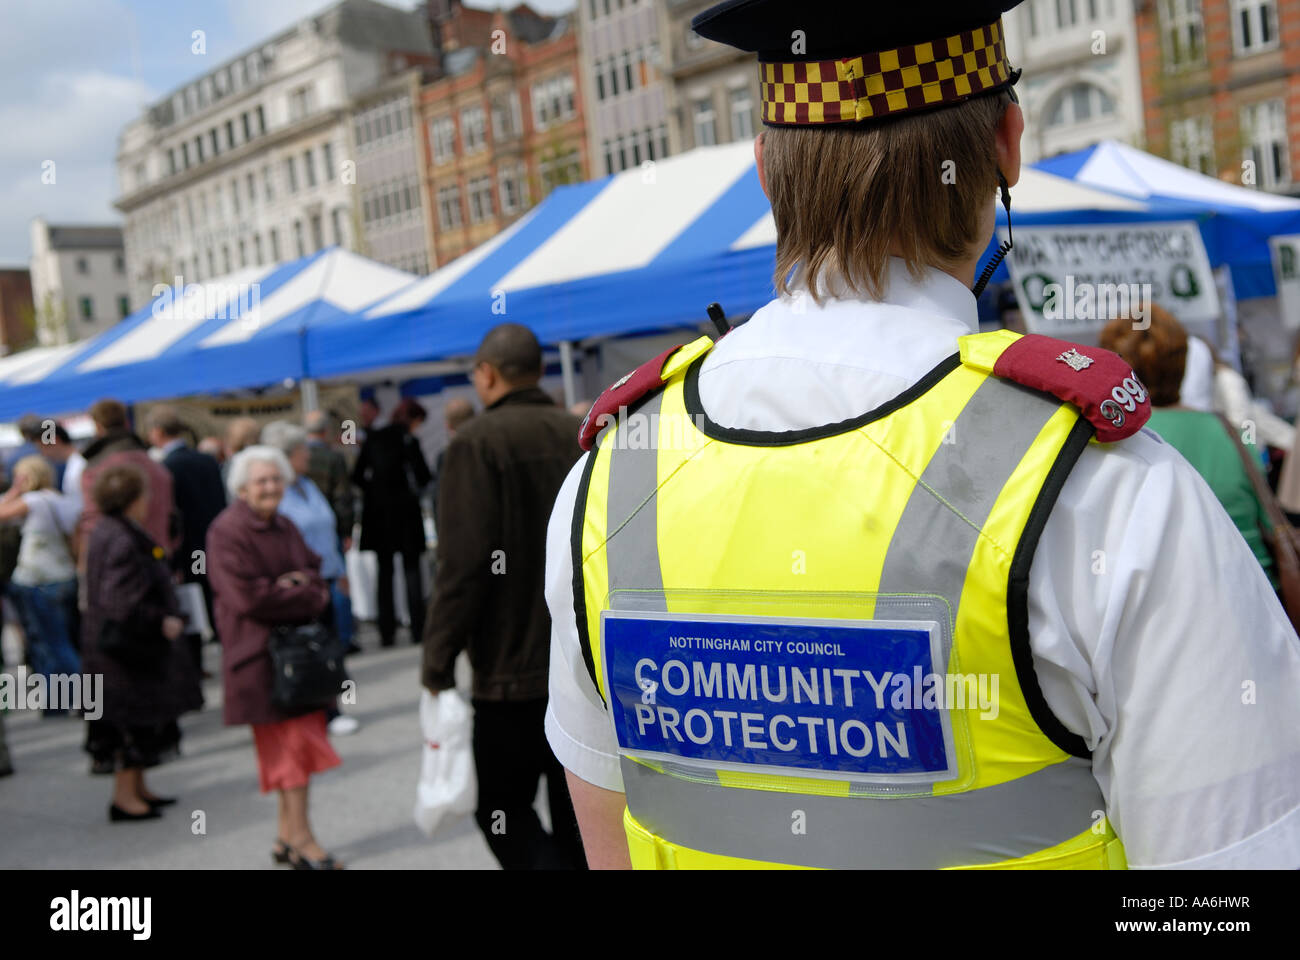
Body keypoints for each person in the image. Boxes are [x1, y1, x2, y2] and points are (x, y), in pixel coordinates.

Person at [543, 0, 1300, 870]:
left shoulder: (610, 484)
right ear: (1009, 144)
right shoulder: (1103, 488)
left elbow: (611, 845)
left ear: (763, 170)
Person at [423, 323, 587, 870]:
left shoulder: (475, 444)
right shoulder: (581, 431)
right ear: (540, 371)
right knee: (574, 811)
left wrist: (437, 660)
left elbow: (462, 565)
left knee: (502, 808)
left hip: (509, 669)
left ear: (486, 375)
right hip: (581, 659)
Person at [206, 445, 343, 869]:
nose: (270, 487)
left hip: (300, 658)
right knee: (289, 753)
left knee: (297, 749)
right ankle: (303, 839)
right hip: (259, 661)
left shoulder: (284, 524)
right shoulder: (226, 531)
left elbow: (317, 576)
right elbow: (247, 598)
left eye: (276, 479)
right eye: (261, 480)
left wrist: (293, 587)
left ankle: (288, 838)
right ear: (242, 488)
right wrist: (294, 589)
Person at [1100, 308, 1275, 583]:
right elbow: (1266, 520)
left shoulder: (1115, 441)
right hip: (1255, 590)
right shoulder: (1230, 431)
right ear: (1183, 360)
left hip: (1174, 602)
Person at [80, 464, 203, 820]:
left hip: (117, 650)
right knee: (129, 724)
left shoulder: (111, 530)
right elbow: (120, 600)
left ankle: (137, 789)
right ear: (132, 498)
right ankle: (124, 797)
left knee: (135, 721)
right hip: (124, 653)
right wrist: (161, 618)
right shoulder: (121, 537)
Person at [262, 420, 361, 729]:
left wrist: (339, 570)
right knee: (310, 650)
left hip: (327, 577)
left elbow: (326, 529)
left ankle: (333, 708)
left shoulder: (307, 486)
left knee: (331, 647)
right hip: (302, 584)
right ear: (287, 455)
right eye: (302, 450)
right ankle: (319, 710)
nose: (308, 455)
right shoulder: (278, 494)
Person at [146, 406, 227, 673]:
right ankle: (230, 653)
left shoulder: (166, 468)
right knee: (218, 598)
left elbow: (172, 515)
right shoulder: (206, 460)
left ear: (157, 433)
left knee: (191, 602)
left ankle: (196, 665)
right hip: (215, 543)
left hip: (190, 548)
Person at [0, 456, 81, 715]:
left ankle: (75, 699)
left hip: (39, 579)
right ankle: (63, 701)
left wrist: (14, 490)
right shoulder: (60, 500)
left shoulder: (32, 501)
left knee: (52, 644)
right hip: (63, 576)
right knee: (63, 640)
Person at [352, 398, 431, 647]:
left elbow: (357, 476)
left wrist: (374, 492)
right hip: (405, 513)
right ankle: (418, 628)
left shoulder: (374, 438)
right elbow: (423, 476)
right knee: (411, 571)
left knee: (384, 573)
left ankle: (387, 632)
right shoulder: (409, 441)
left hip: (379, 515)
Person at [78, 400, 178, 565]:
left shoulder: (96, 469)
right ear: (126, 421)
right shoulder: (154, 464)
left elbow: (92, 523)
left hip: (118, 564)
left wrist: (86, 569)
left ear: (97, 426)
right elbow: (171, 516)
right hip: (159, 556)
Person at [431, 397, 475, 536]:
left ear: (448, 425)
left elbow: (440, 498)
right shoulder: (488, 449)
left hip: (458, 528)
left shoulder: (445, 456)